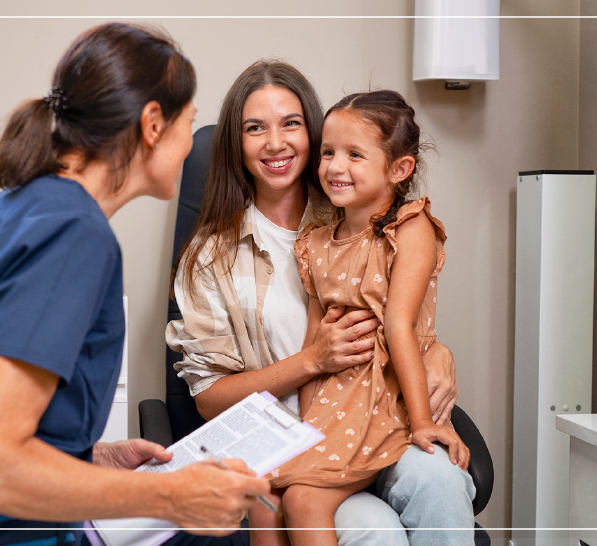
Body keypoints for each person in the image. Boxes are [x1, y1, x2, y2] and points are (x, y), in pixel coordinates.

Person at [0, 23, 268, 546]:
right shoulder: (75, 236)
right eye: (189, 125)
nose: (189, 149)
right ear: (153, 123)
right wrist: (170, 496)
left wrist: (90, 457)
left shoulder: (13, 209)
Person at [167, 61, 467, 546]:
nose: (275, 143)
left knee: (440, 480)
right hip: (299, 434)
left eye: (290, 124)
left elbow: (404, 319)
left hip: (381, 414)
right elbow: (207, 399)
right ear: (235, 145)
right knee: (377, 533)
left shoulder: (357, 209)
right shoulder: (211, 257)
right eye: (254, 128)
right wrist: (311, 361)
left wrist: (439, 352)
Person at [249, 90, 476, 546]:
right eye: (329, 152)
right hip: (335, 408)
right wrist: (310, 425)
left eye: (354, 154)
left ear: (399, 169)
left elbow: (400, 329)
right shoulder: (314, 245)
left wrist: (422, 422)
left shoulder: (410, 229)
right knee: (276, 498)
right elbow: (315, 344)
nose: (335, 166)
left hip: (386, 403)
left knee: (304, 500)